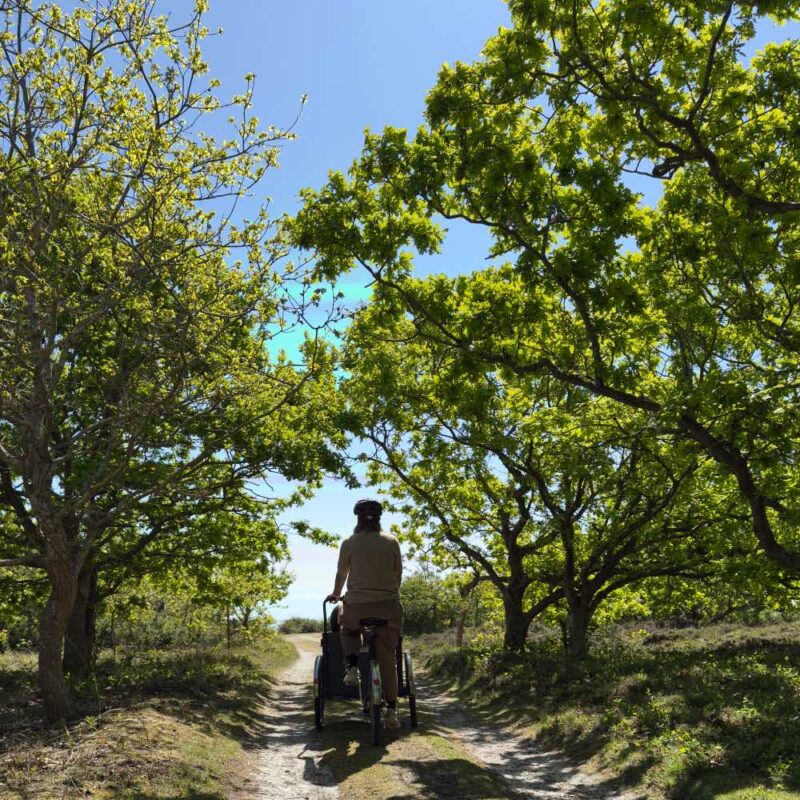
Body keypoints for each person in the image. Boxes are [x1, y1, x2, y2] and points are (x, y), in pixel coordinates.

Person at [326, 498, 403, 730]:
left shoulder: (349, 542)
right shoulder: (391, 541)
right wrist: (388, 592)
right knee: (387, 656)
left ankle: (351, 666)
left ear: (357, 518)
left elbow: (342, 573)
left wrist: (337, 594)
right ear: (379, 518)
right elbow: (398, 573)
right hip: (387, 604)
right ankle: (391, 710)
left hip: (357, 605)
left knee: (347, 627)